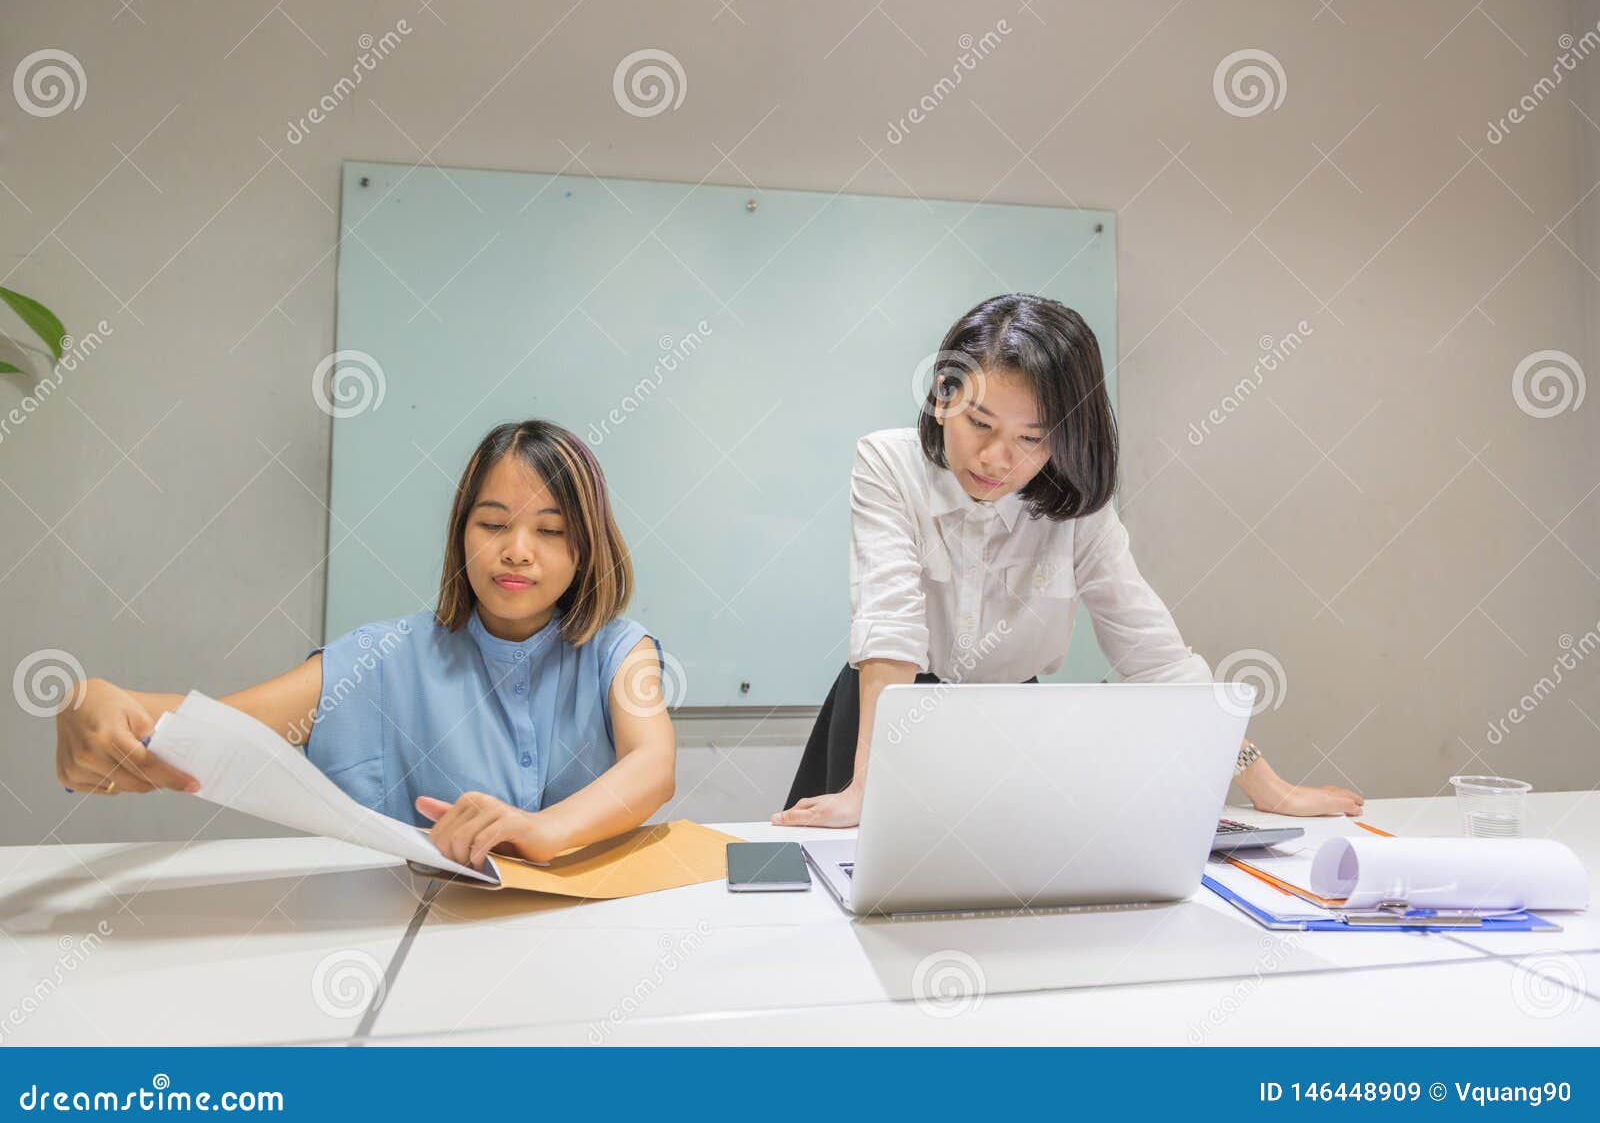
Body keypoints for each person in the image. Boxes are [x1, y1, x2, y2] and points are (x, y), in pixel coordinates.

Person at [773, 293, 1362, 829]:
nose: (996, 458)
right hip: (885, 719)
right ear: (941, 396)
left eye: (1031, 438)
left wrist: (1268, 788)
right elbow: (892, 630)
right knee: (848, 897)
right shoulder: (889, 464)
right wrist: (865, 789)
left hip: (1012, 727)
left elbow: (1158, 661)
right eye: (980, 423)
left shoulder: (1077, 509)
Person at [55, 419, 676, 867]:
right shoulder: (382, 658)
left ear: (587, 546)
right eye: (492, 524)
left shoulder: (619, 649)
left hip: (585, 935)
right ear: (461, 533)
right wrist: (98, 700)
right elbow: (226, 726)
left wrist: (543, 830)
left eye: (550, 530)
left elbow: (651, 765)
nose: (516, 548)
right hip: (422, 935)